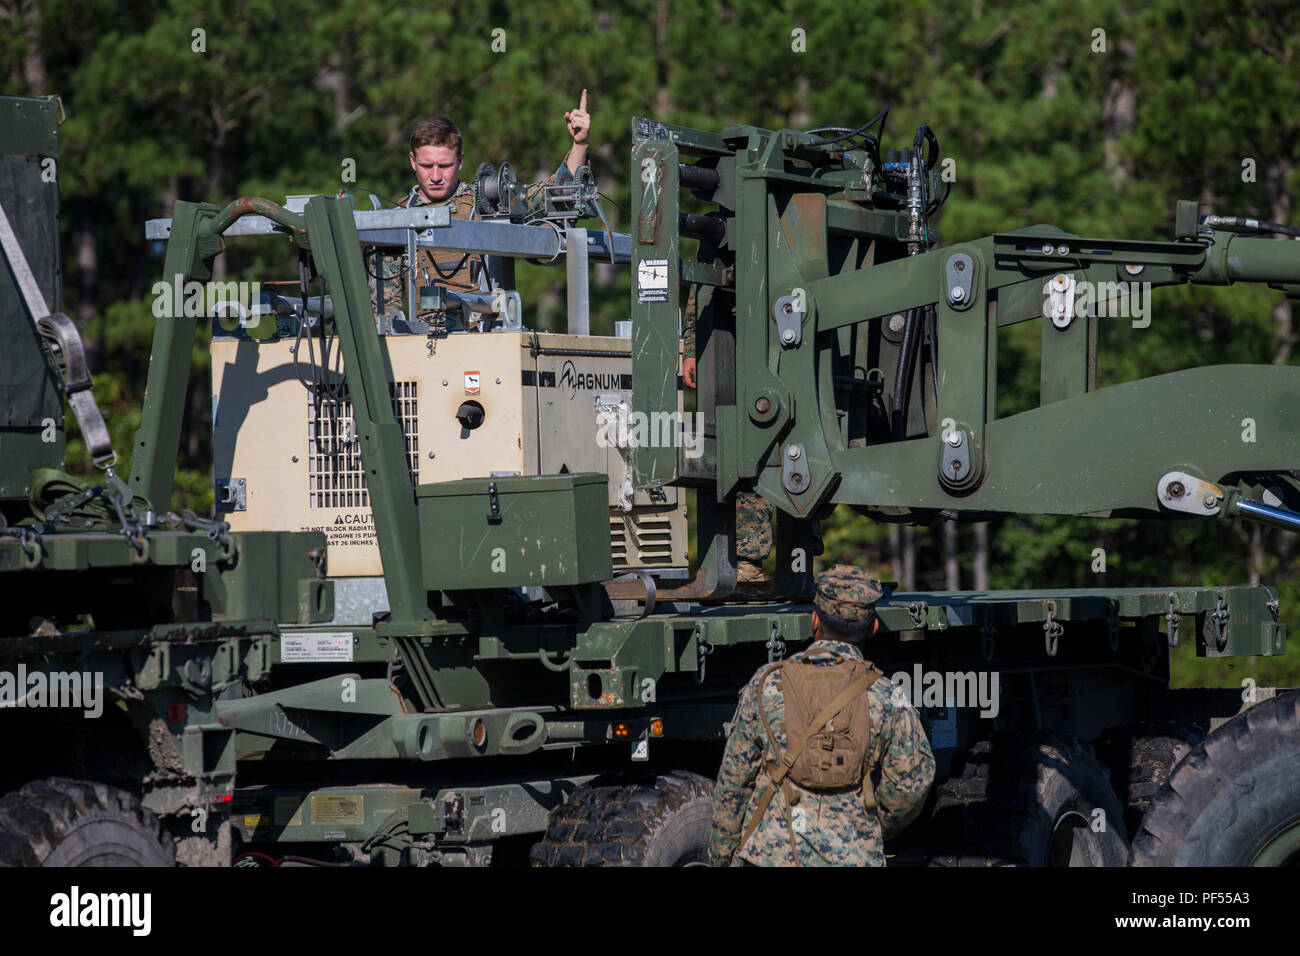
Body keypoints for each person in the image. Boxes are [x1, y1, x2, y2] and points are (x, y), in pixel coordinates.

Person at [710, 564, 935, 866]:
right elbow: (911, 784)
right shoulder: (887, 695)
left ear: (814, 620)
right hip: (853, 855)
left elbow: (734, 781)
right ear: (873, 628)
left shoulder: (767, 683)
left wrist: (721, 856)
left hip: (772, 855)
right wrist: (871, 825)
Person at [371, 90, 591, 320]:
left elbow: (557, 195)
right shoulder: (396, 220)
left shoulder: (486, 203)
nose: (435, 176)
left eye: (444, 166)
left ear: (461, 161)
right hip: (425, 343)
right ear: (412, 161)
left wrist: (580, 144)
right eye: (427, 166)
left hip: (484, 340)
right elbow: (385, 313)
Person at [681, 283, 773, 582]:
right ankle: (745, 563)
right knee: (737, 452)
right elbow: (700, 292)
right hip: (729, 336)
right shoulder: (716, 246)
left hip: (772, 334)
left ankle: (753, 560)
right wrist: (691, 349)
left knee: (763, 450)